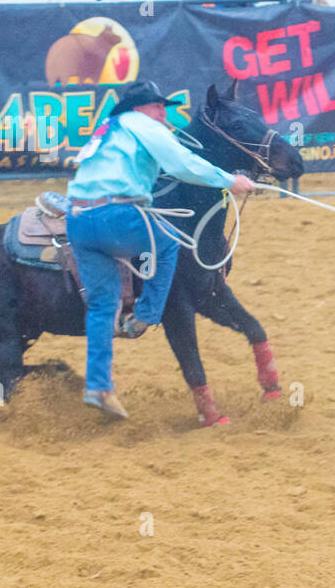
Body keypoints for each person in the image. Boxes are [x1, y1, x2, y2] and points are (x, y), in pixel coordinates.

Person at [65, 80, 255, 419]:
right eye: (157, 107)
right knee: (168, 244)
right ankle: (146, 317)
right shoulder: (141, 125)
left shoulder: (108, 129)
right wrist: (230, 180)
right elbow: (181, 163)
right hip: (114, 214)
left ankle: (99, 386)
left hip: (78, 219)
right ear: (140, 109)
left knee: (102, 305)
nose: (164, 113)